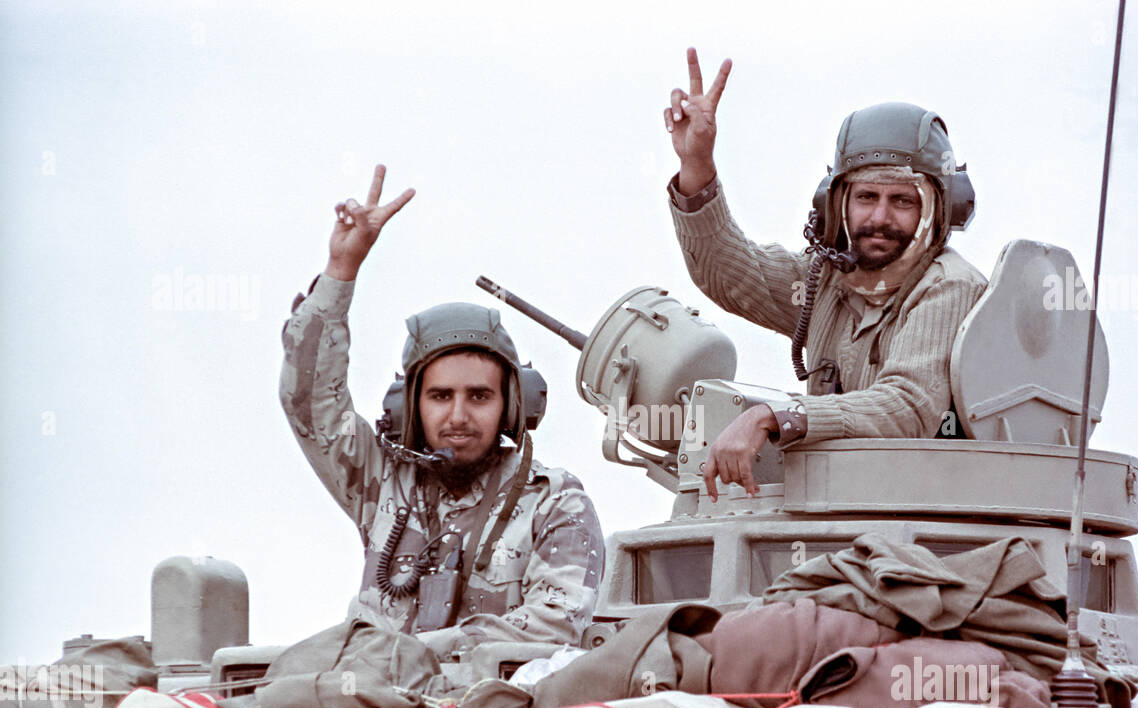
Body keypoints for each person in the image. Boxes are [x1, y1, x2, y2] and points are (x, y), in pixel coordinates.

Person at [280, 165, 604, 659]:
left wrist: (415, 655)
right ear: (410, 407)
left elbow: (554, 624)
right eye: (439, 396)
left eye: (478, 396)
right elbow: (308, 401)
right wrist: (341, 270)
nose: (458, 416)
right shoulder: (380, 483)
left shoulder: (555, 502)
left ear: (512, 406)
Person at [663, 49, 988, 499]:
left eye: (902, 201)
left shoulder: (949, 286)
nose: (880, 217)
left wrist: (777, 417)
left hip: (919, 515)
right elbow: (730, 273)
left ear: (937, 209)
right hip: (836, 510)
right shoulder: (828, 279)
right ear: (837, 204)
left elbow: (906, 406)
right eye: (866, 196)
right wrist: (696, 164)